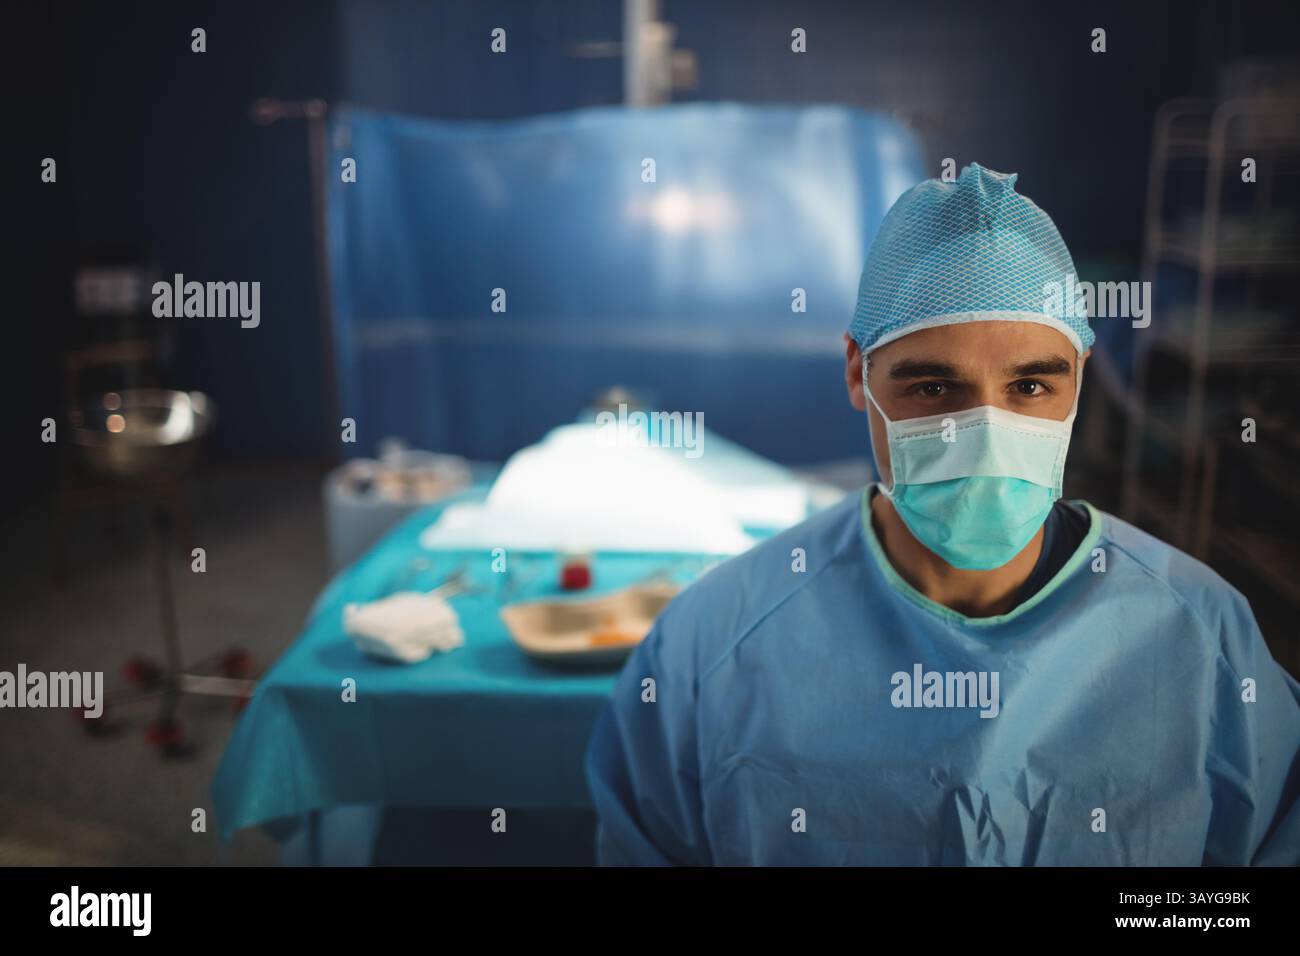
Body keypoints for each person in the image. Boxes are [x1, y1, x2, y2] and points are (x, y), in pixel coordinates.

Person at [583, 163, 1300, 865]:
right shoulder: (716, 644)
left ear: (1080, 375)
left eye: (1028, 386)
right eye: (933, 388)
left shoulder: (1199, 635)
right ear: (857, 374)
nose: (986, 434)